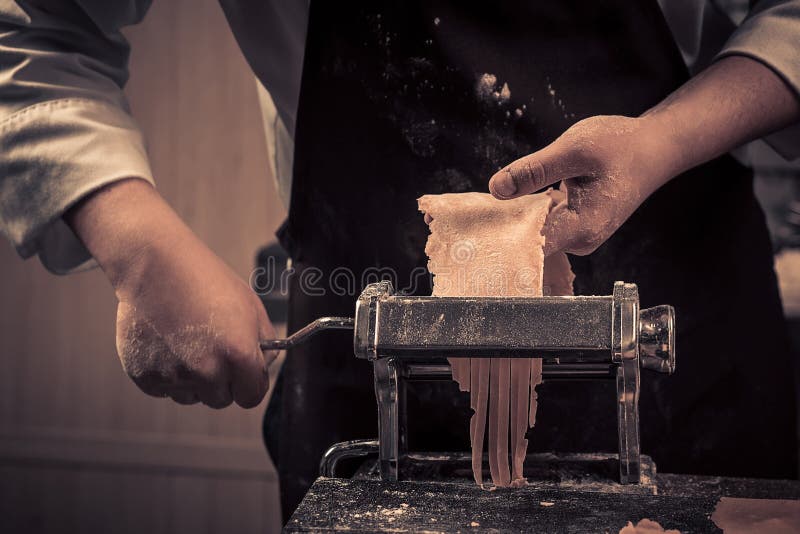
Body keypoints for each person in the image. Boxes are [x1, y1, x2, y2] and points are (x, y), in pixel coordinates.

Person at [1, 0, 799, 521]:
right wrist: (139, 248)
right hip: (365, 376)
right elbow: (33, 24)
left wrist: (662, 138)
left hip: (691, 360)